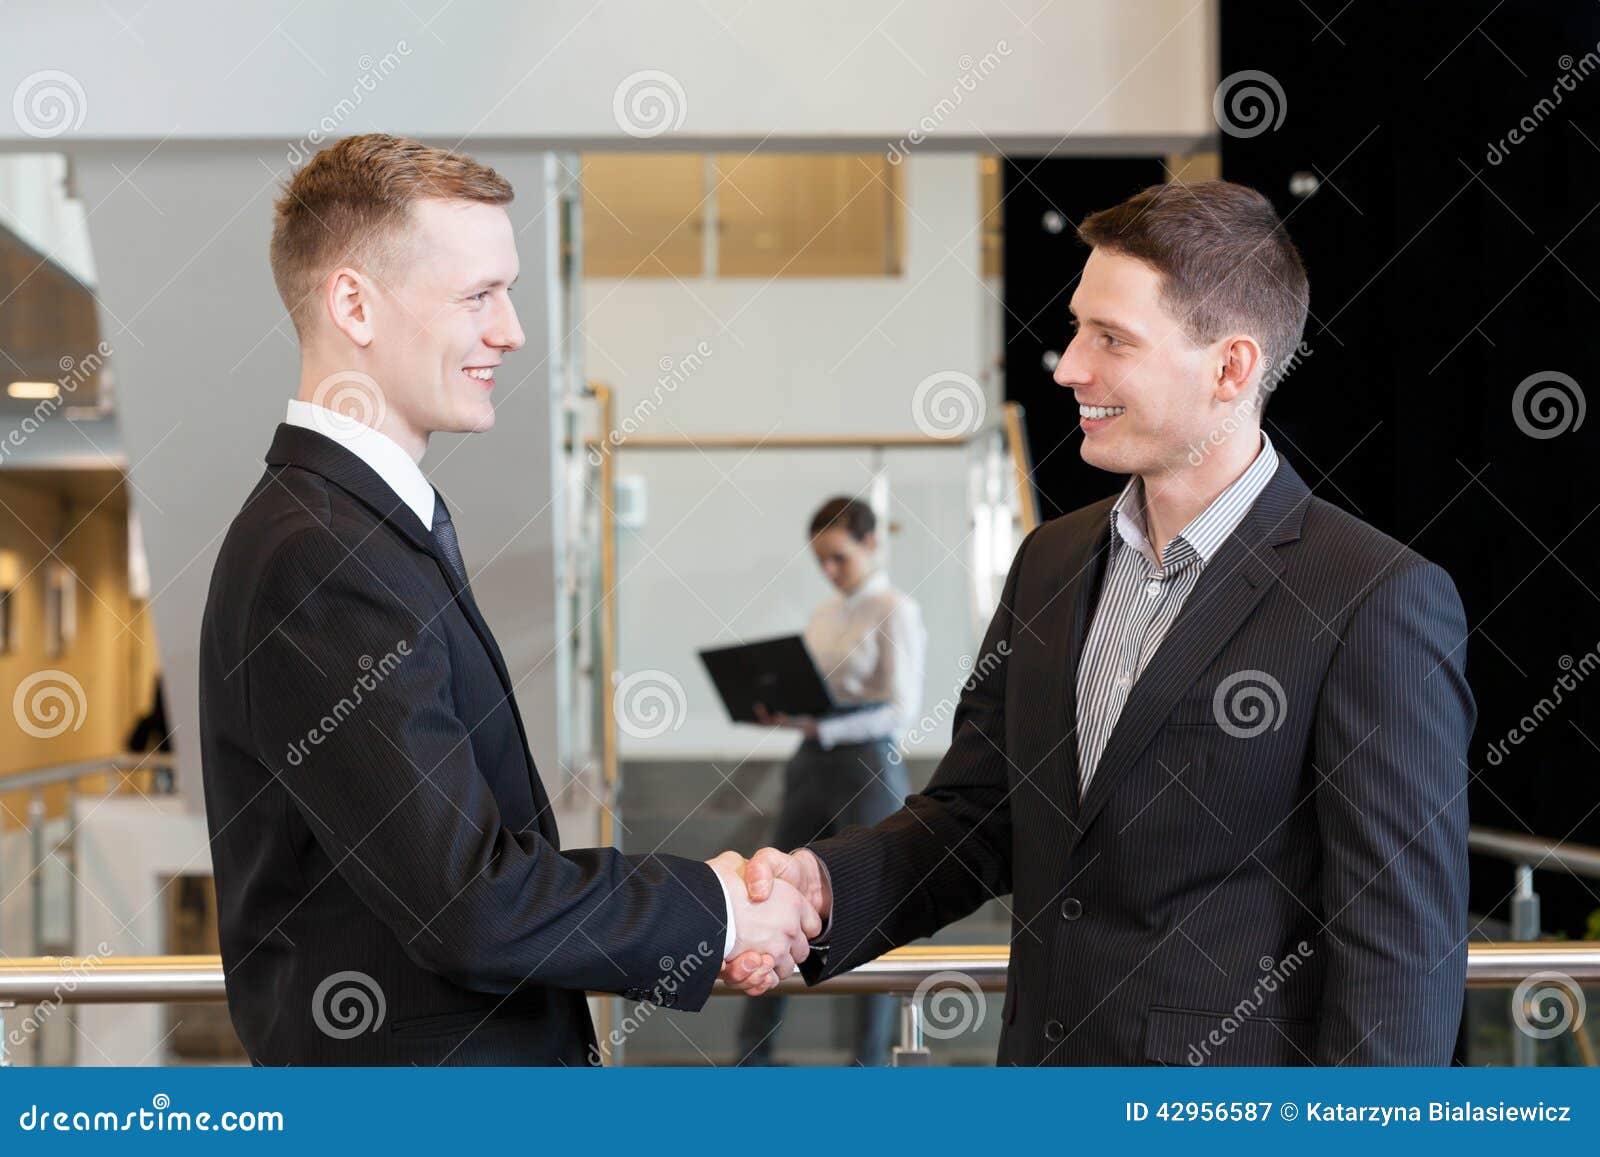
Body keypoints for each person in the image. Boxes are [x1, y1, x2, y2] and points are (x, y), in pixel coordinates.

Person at [725, 180, 1476, 1066]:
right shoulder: (1050, 560)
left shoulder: (1373, 595)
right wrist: (820, 887)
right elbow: (978, 815)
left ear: (1231, 368)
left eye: (1111, 338)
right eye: (1079, 327)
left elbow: (1399, 956)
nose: (1068, 365)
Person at [198, 133, 803, 1066]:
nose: (511, 330)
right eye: (478, 295)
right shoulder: (322, 553)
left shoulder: (364, 524)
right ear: (353, 302)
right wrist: (715, 908)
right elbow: (468, 903)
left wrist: (706, 909)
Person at [737, 497, 927, 1066]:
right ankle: (753, 1057)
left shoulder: (896, 609)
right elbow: (819, 696)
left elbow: (901, 709)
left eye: (839, 557)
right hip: (811, 761)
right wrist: (786, 714)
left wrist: (823, 724)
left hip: (866, 766)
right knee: (767, 893)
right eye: (820, 559)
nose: (829, 570)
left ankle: (869, 1063)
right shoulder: (824, 613)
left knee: (865, 911)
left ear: (871, 544)